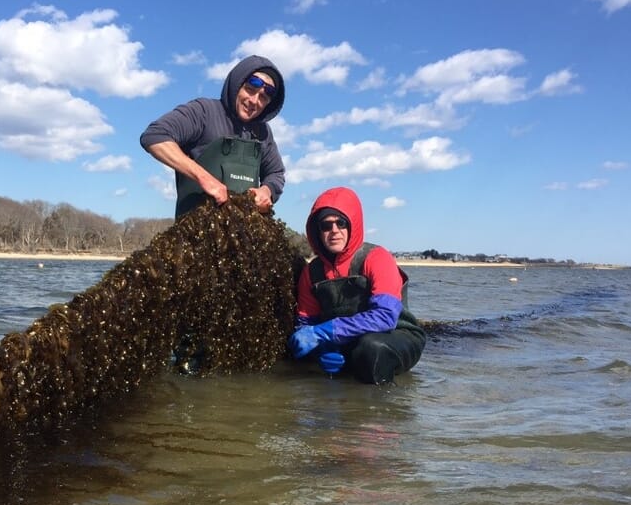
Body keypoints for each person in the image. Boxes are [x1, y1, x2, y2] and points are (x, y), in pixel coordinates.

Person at [288, 187, 426, 384]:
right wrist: (323, 351)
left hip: (396, 336)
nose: (334, 230)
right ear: (317, 231)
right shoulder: (310, 272)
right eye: (326, 225)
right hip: (347, 341)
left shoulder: (377, 258)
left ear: (352, 224)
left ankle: (379, 402)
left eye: (341, 223)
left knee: (372, 349)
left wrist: (326, 331)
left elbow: (385, 316)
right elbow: (306, 325)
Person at [140, 55, 285, 219]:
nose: (254, 101)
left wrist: (266, 191)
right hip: (196, 227)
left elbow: (276, 173)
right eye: (250, 89)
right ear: (237, 85)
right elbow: (155, 136)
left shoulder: (263, 133)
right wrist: (203, 178)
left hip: (243, 231)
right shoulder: (203, 112)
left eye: (263, 97)